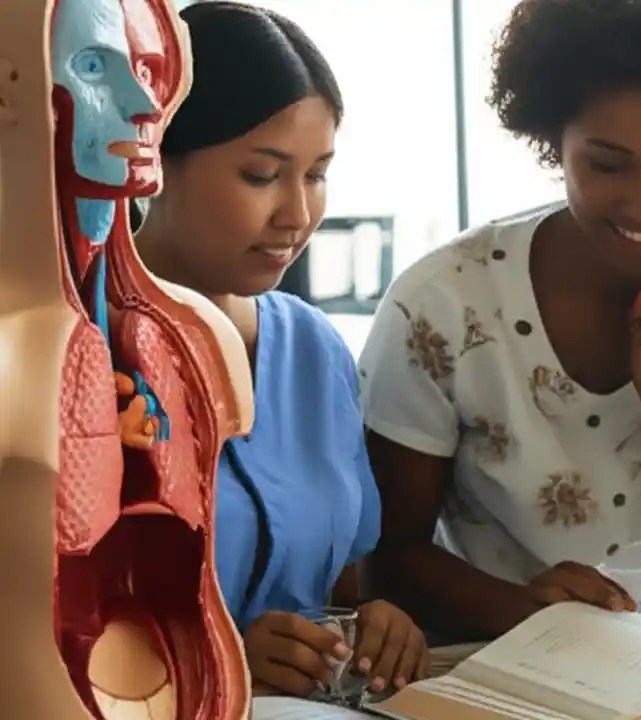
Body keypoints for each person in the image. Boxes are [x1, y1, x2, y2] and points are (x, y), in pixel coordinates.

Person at [358, 0, 641, 642]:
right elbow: (385, 559)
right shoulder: (443, 304)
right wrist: (534, 618)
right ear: (553, 139)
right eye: (607, 163)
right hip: (481, 664)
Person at [133, 1, 428, 699]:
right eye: (262, 176)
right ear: (157, 159)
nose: (298, 215)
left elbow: (342, 582)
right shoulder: (75, 353)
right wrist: (215, 656)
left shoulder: (314, 350)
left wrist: (376, 624)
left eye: (317, 173)